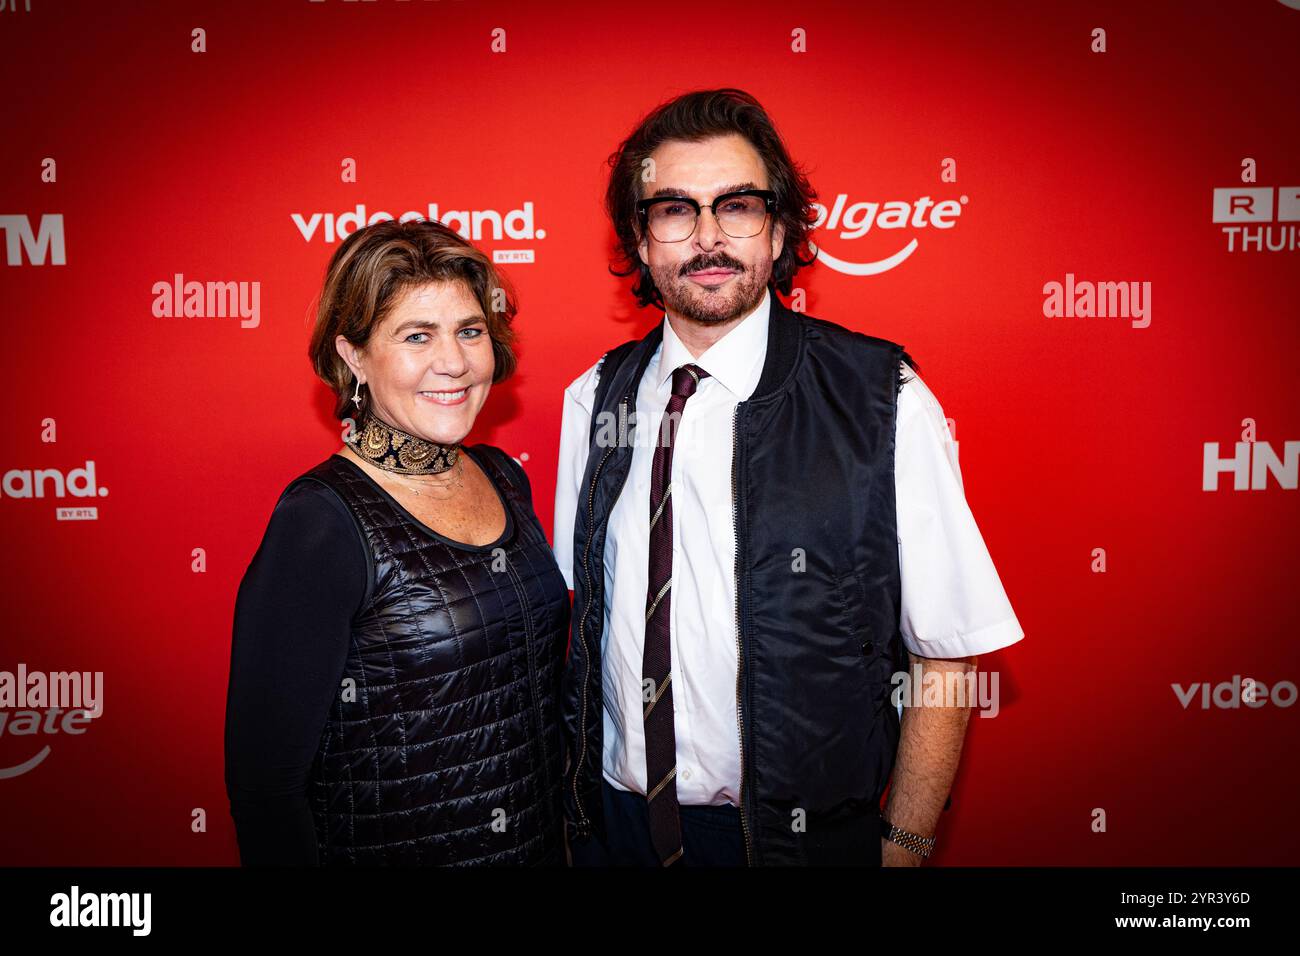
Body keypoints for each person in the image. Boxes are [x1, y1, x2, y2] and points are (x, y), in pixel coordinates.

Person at [554, 88, 1026, 867]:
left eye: (737, 206)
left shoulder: (882, 396)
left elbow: (947, 654)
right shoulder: (594, 398)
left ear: (777, 230)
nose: (708, 237)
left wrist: (904, 847)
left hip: (799, 846)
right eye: (674, 210)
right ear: (641, 240)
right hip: (619, 832)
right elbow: (585, 630)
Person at [224, 218, 569, 866]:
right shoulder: (320, 522)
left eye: (470, 331)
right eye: (417, 335)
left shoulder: (502, 476)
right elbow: (266, 791)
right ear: (354, 355)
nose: (454, 361)